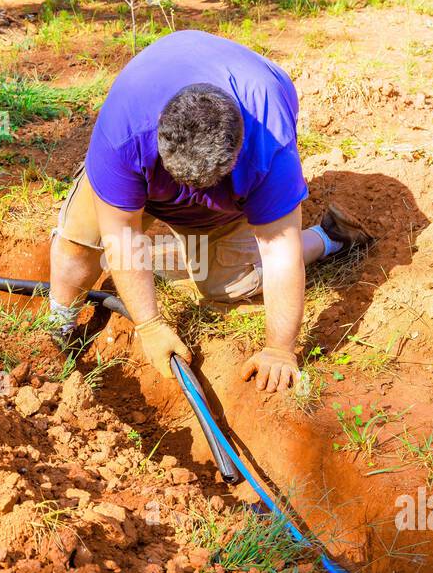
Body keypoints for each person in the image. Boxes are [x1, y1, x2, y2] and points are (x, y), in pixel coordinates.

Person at [48, 30, 371, 393]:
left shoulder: (269, 145)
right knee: (78, 243)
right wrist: (149, 325)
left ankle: (327, 236)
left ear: (238, 148)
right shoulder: (124, 132)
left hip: (225, 193)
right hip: (144, 161)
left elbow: (279, 255)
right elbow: (121, 236)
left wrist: (280, 351)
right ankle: (58, 328)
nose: (188, 195)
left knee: (230, 285)